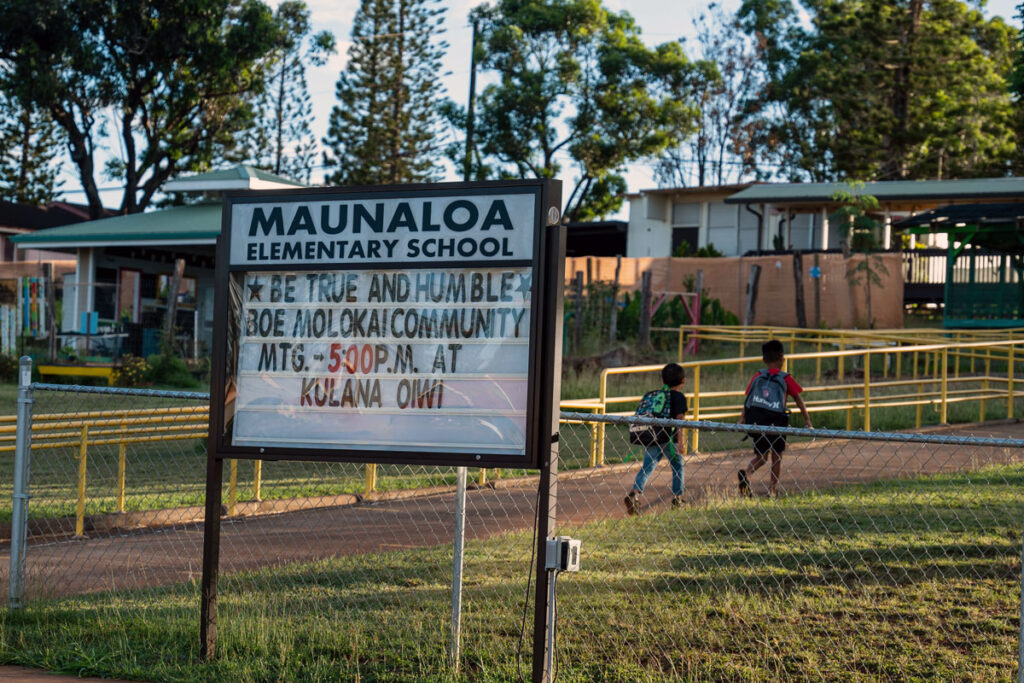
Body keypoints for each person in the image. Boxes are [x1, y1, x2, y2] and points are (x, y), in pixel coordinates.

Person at [738, 340, 812, 498]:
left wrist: (741, 420)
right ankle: (772, 490)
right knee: (776, 457)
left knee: (761, 456)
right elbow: (799, 399)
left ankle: (747, 473)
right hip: (777, 423)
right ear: (782, 359)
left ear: (764, 360)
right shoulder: (785, 378)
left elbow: (748, 400)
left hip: (758, 422)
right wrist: (807, 420)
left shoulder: (758, 375)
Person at [624, 363, 687, 515]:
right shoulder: (679, 397)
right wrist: (681, 440)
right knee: (677, 467)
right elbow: (680, 420)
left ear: (663, 380)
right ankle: (677, 498)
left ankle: (635, 493)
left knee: (647, 467)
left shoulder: (657, 395)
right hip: (669, 439)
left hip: (653, 436)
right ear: (683, 381)